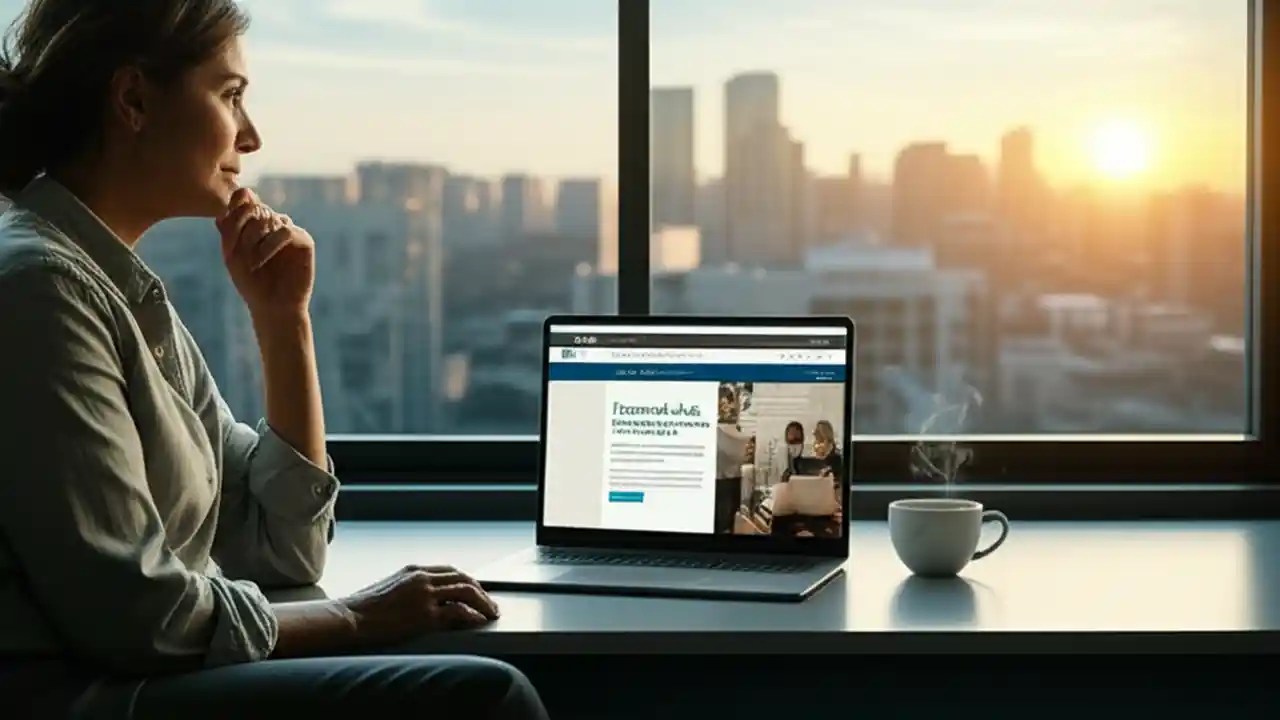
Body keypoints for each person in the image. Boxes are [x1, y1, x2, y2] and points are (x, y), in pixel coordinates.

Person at [0, 1, 547, 717]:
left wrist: (283, 321)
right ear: (134, 100)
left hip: (142, 679)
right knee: (486, 698)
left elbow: (282, 548)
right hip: (94, 699)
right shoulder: (42, 291)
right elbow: (139, 618)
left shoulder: (116, 291)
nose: (251, 137)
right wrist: (359, 617)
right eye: (230, 96)